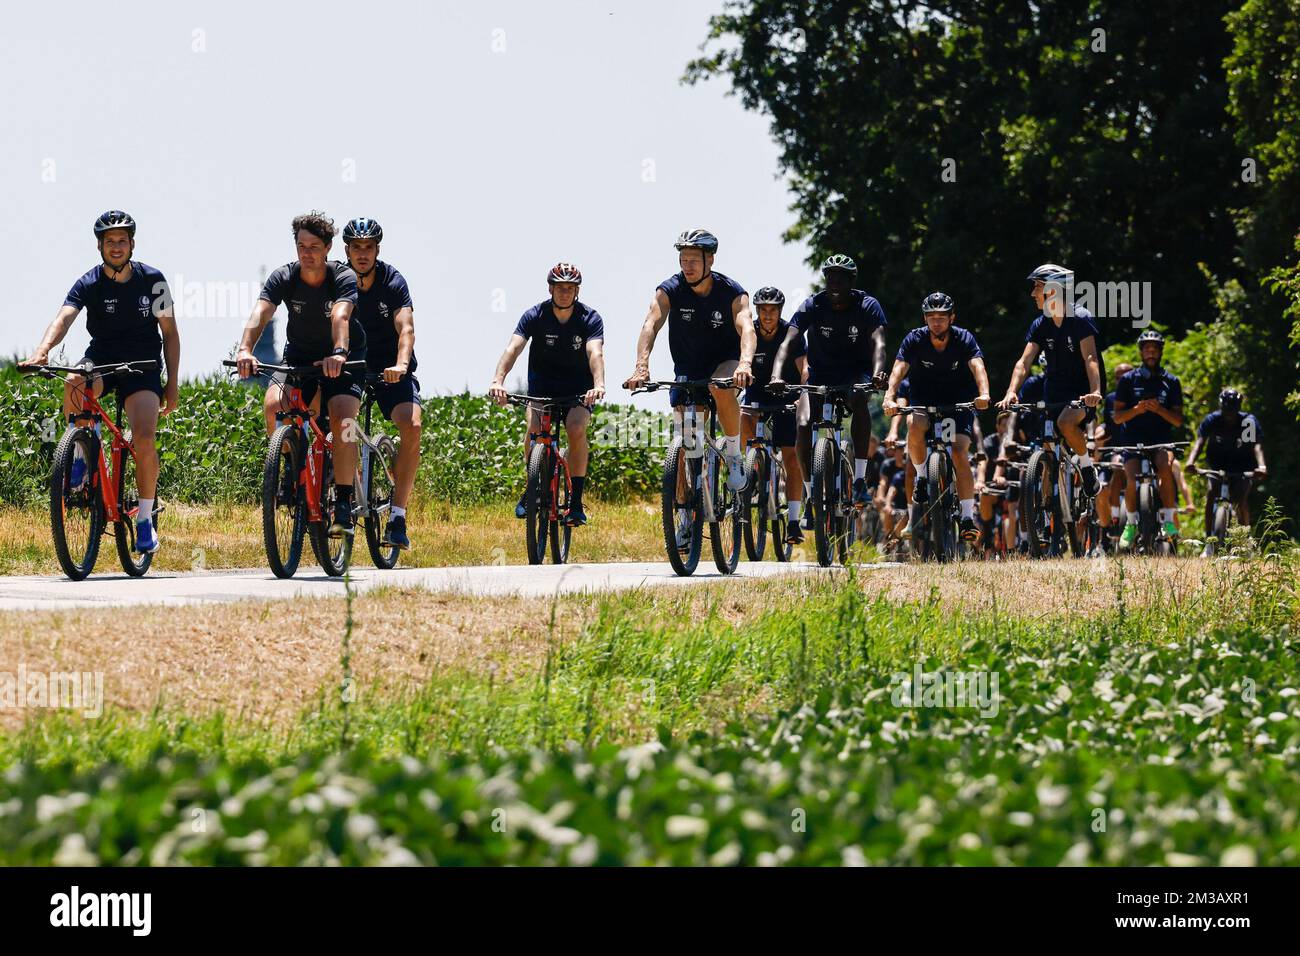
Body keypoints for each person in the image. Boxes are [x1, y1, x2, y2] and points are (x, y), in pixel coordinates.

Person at [23, 210, 180, 554]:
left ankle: (143, 520)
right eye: (110, 241)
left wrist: (173, 383)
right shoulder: (89, 282)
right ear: (99, 246)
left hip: (143, 367)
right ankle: (80, 451)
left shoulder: (154, 280)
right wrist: (42, 350)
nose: (117, 246)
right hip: (103, 360)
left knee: (143, 437)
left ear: (132, 244)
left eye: (122, 240)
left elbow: (170, 333)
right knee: (75, 381)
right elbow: (64, 316)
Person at [622, 230, 754, 550]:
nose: (688, 265)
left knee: (719, 385)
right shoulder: (670, 289)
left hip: (725, 364)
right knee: (686, 446)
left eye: (694, 259)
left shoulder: (732, 292)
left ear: (711, 260)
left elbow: (747, 327)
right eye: (683, 259)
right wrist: (642, 366)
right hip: (688, 370)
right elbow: (650, 324)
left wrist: (745, 364)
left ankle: (734, 456)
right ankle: (685, 519)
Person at [236, 211, 365, 538]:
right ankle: (289, 474)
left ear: (328, 248)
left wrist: (338, 352)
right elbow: (261, 311)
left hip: (343, 356)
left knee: (342, 417)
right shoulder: (284, 277)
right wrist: (244, 349)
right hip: (300, 357)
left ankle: (346, 502)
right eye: (301, 246)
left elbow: (340, 315)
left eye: (314, 246)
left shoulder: (343, 278)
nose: (307, 253)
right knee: (272, 406)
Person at [769, 254, 889, 510]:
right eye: (830, 278)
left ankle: (858, 479)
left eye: (841, 279)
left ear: (851, 281)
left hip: (855, 374)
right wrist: (776, 375)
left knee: (858, 398)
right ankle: (810, 491)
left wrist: (879, 373)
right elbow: (787, 342)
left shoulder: (867, 305)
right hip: (819, 374)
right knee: (802, 424)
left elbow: (879, 342)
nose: (834, 283)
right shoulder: (813, 304)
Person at [491, 263, 605, 527]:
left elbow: (595, 352)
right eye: (560, 287)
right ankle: (532, 487)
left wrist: (598, 384)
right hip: (542, 389)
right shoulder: (535, 315)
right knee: (533, 430)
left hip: (578, 391)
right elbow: (513, 348)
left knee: (576, 428)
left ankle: (575, 503)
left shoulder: (590, 318)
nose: (564, 292)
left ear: (577, 291)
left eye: (570, 288)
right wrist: (498, 380)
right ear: (550, 288)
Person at [882, 292, 991, 542]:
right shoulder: (914, 339)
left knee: (959, 451)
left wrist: (984, 393)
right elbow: (899, 368)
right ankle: (922, 476)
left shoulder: (963, 338)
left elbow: (978, 366)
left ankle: (965, 517)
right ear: (925, 319)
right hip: (924, 399)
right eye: (932, 317)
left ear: (952, 318)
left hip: (958, 402)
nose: (937, 322)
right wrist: (889, 396)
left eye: (942, 317)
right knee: (915, 423)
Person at [341, 217, 420, 549]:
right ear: (346, 250)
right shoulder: (337, 279)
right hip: (350, 367)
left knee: (412, 423)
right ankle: (336, 494)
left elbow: (406, 328)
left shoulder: (392, 281)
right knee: (335, 423)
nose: (362, 254)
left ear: (377, 250)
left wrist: (401, 364)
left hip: (390, 370)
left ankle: (398, 516)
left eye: (368, 247)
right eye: (356, 247)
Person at [999, 263, 1104, 495]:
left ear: (1053, 290)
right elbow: (1024, 363)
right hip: (1055, 388)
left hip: (1082, 390)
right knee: (1048, 449)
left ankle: (1087, 468)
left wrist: (1095, 391)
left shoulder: (1080, 318)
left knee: (1065, 423)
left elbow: (1090, 357)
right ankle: (1047, 518)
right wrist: (1011, 391)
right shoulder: (1040, 324)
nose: (1032, 293)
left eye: (1037, 287)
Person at [741, 286, 808, 545]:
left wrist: (803, 392)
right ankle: (756, 466)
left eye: (773, 310)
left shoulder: (790, 334)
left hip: (786, 397)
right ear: (757, 311)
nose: (767, 315)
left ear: (780, 311)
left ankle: (792, 522)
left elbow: (805, 368)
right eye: (763, 310)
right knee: (743, 417)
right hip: (757, 395)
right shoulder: (750, 333)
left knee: (791, 456)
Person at [1112, 330, 1184, 549]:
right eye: (1147, 349)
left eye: (1155, 349)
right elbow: (1117, 417)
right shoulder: (1127, 380)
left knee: (1165, 468)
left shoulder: (1171, 381)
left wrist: (1159, 409)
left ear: (1161, 352)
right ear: (1141, 352)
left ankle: (1169, 521)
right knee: (1132, 480)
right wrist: (1138, 409)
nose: (1151, 353)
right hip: (1133, 440)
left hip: (1161, 440)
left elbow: (1178, 420)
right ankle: (1131, 524)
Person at [1185, 387, 1267, 555]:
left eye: (1233, 411)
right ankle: (1209, 541)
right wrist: (1191, 462)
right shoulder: (1212, 420)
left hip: (1242, 467)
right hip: (1217, 466)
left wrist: (1261, 465)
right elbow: (1199, 443)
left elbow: (1255, 446)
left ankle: (1245, 541)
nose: (1229, 415)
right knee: (1211, 494)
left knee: (1240, 497)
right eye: (1226, 410)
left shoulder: (1247, 422)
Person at [1095, 361, 1134, 544]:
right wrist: (1096, 439)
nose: (1123, 380)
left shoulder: (1141, 396)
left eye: (1126, 375)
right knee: (1103, 485)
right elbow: (1107, 426)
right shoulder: (1110, 399)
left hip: (1136, 449)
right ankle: (1112, 523)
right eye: (1119, 377)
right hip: (1115, 450)